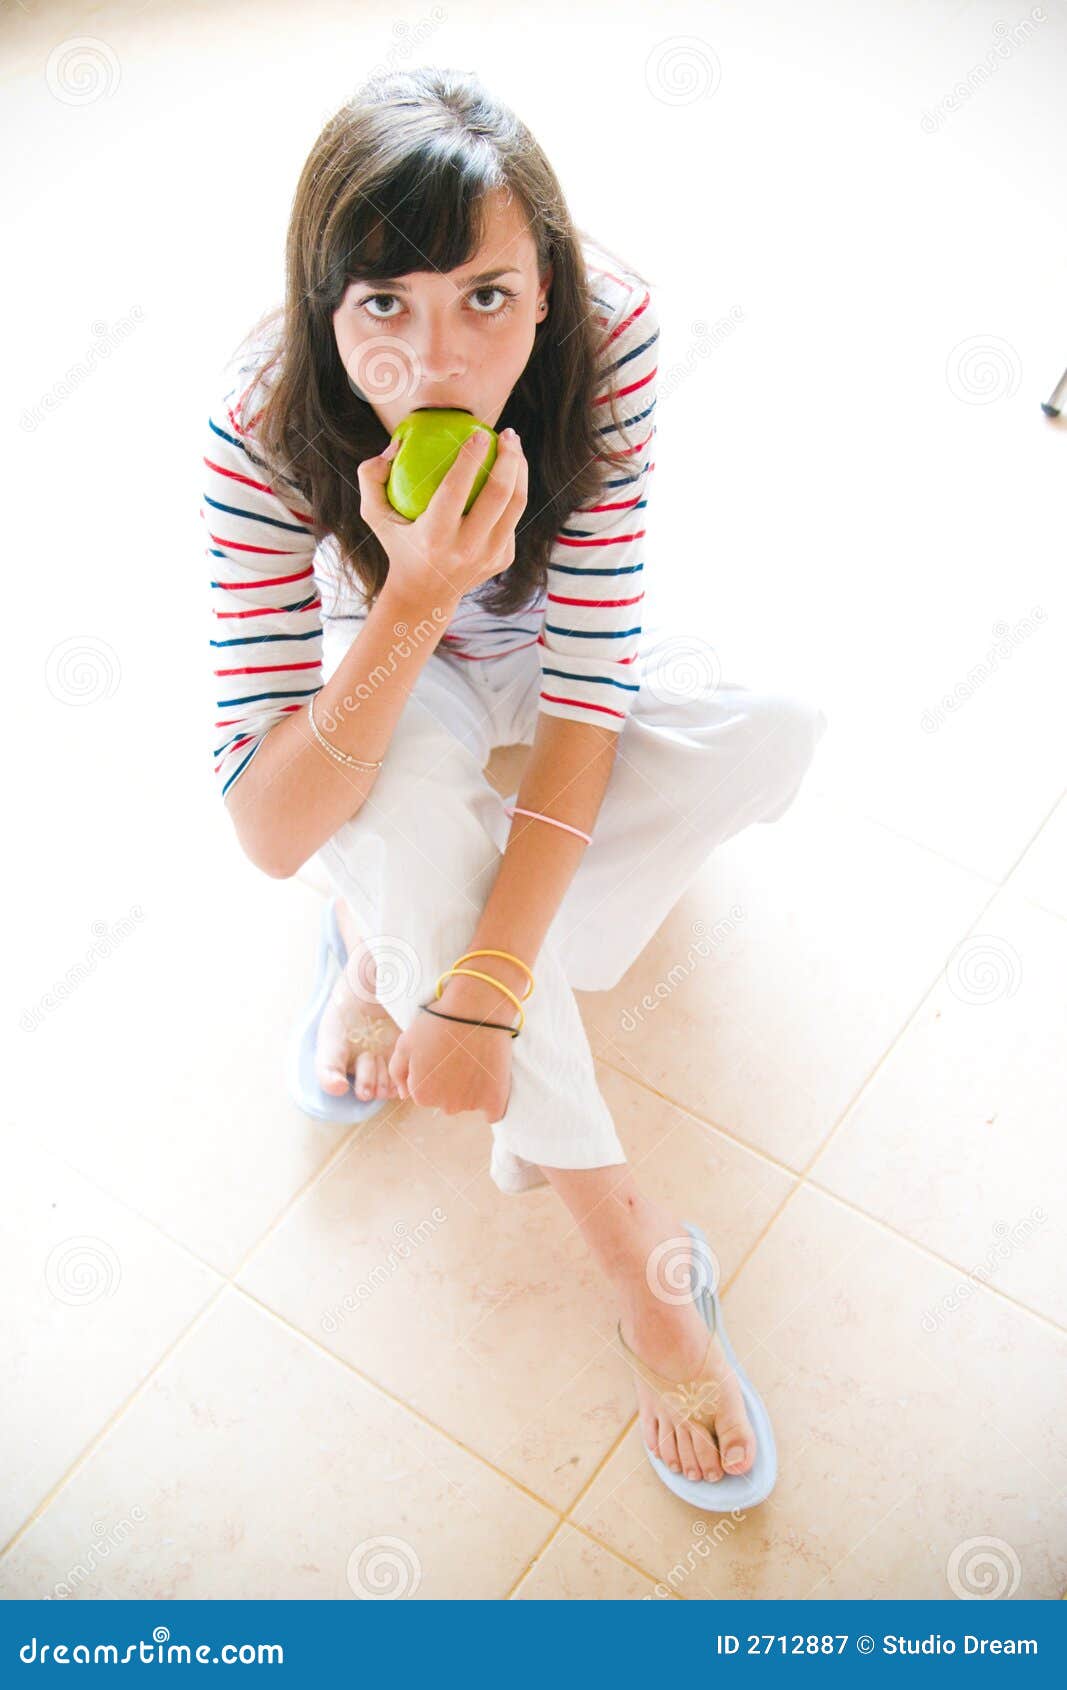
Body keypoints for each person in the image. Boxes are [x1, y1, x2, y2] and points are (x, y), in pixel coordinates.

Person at [203, 67, 826, 1498]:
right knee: (402, 817)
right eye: (383, 307)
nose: (438, 362)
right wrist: (413, 596)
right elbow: (264, 820)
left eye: (487, 297)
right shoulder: (257, 420)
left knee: (771, 730)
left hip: (548, 637)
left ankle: (394, 942)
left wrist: (479, 990)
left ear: (547, 289)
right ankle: (648, 1271)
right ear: (323, 310)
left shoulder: (611, 331)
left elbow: (588, 691)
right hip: (389, 654)